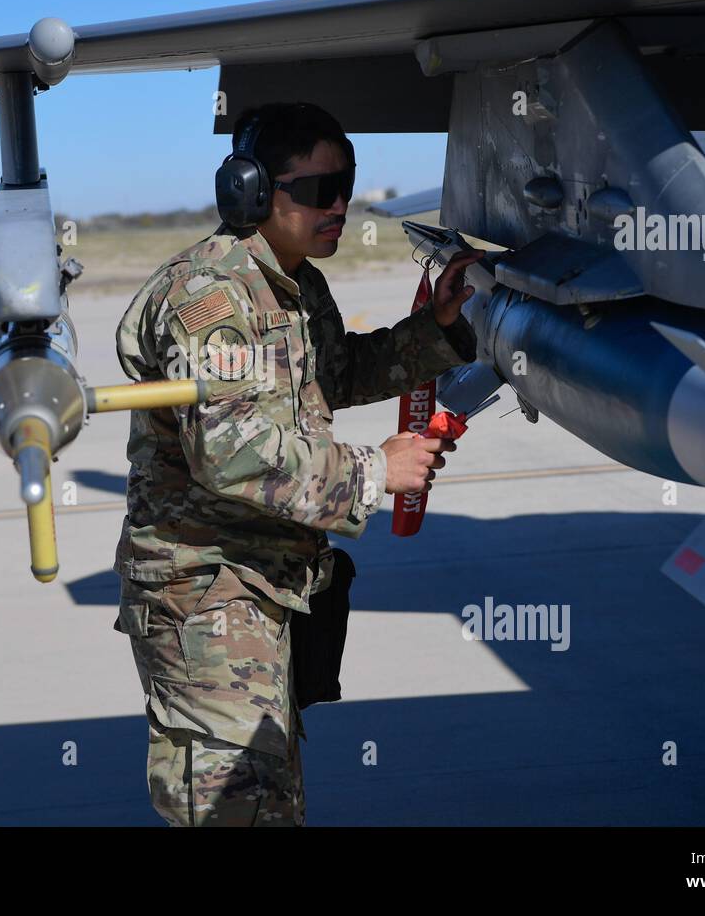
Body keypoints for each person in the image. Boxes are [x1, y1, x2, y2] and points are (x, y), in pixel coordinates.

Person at [113, 102, 482, 825]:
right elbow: (229, 450)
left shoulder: (294, 282)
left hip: (265, 586)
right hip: (206, 593)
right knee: (238, 810)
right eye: (317, 191)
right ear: (252, 191)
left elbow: (334, 376)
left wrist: (435, 329)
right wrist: (375, 471)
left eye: (346, 184)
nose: (339, 205)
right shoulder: (211, 296)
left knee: (269, 801)